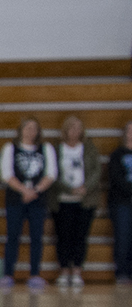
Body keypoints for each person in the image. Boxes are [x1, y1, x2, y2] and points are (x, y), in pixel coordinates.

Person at [0, 117, 56, 290]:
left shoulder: (46, 149)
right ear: (21, 130)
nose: (31, 131)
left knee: (37, 237)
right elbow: (6, 174)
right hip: (16, 199)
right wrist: (24, 190)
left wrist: (35, 191)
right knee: (13, 236)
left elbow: (51, 173)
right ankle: (8, 273)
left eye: (34, 128)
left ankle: (35, 273)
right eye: (27, 128)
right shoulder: (10, 148)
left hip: (38, 200)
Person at [50, 114, 102, 290]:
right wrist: (68, 189)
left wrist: (85, 187)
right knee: (63, 236)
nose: (75, 132)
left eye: (78, 128)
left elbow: (96, 169)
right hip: (63, 200)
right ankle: (64, 271)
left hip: (85, 200)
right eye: (71, 128)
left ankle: (77, 271)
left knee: (81, 236)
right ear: (65, 130)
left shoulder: (89, 148)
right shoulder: (58, 149)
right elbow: (53, 173)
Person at [108, 120, 132, 285]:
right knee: (123, 238)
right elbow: (116, 179)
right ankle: (122, 273)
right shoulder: (117, 155)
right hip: (122, 202)